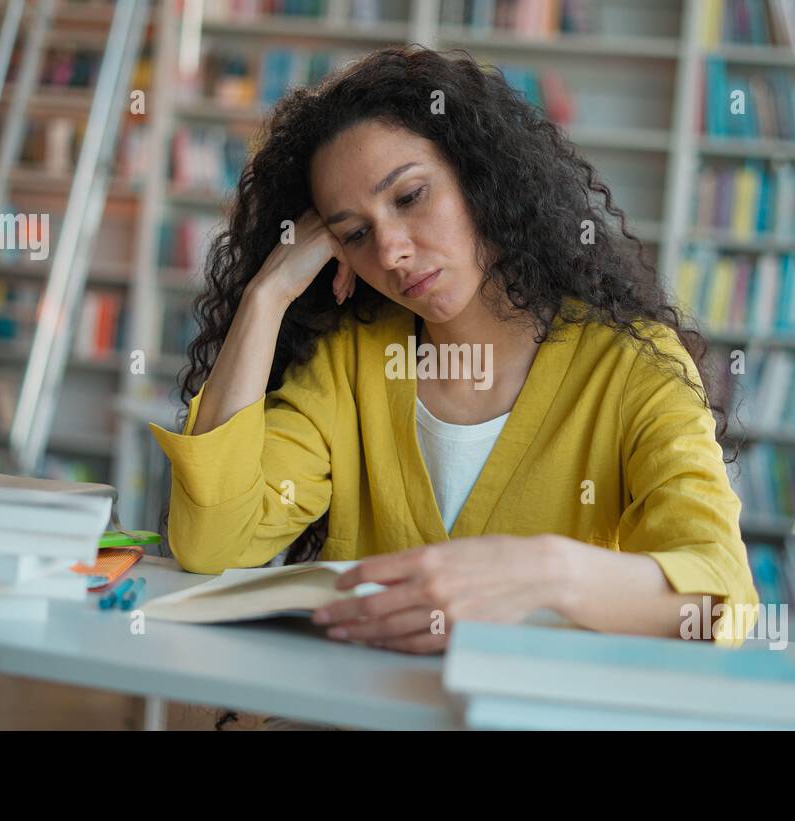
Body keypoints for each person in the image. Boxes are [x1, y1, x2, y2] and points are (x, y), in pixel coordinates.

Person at [149, 46, 758, 657]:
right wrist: (267, 295)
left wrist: (547, 572)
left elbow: (720, 598)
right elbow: (211, 543)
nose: (389, 251)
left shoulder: (633, 367)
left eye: (410, 197)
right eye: (354, 234)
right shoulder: (349, 363)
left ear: (481, 178)